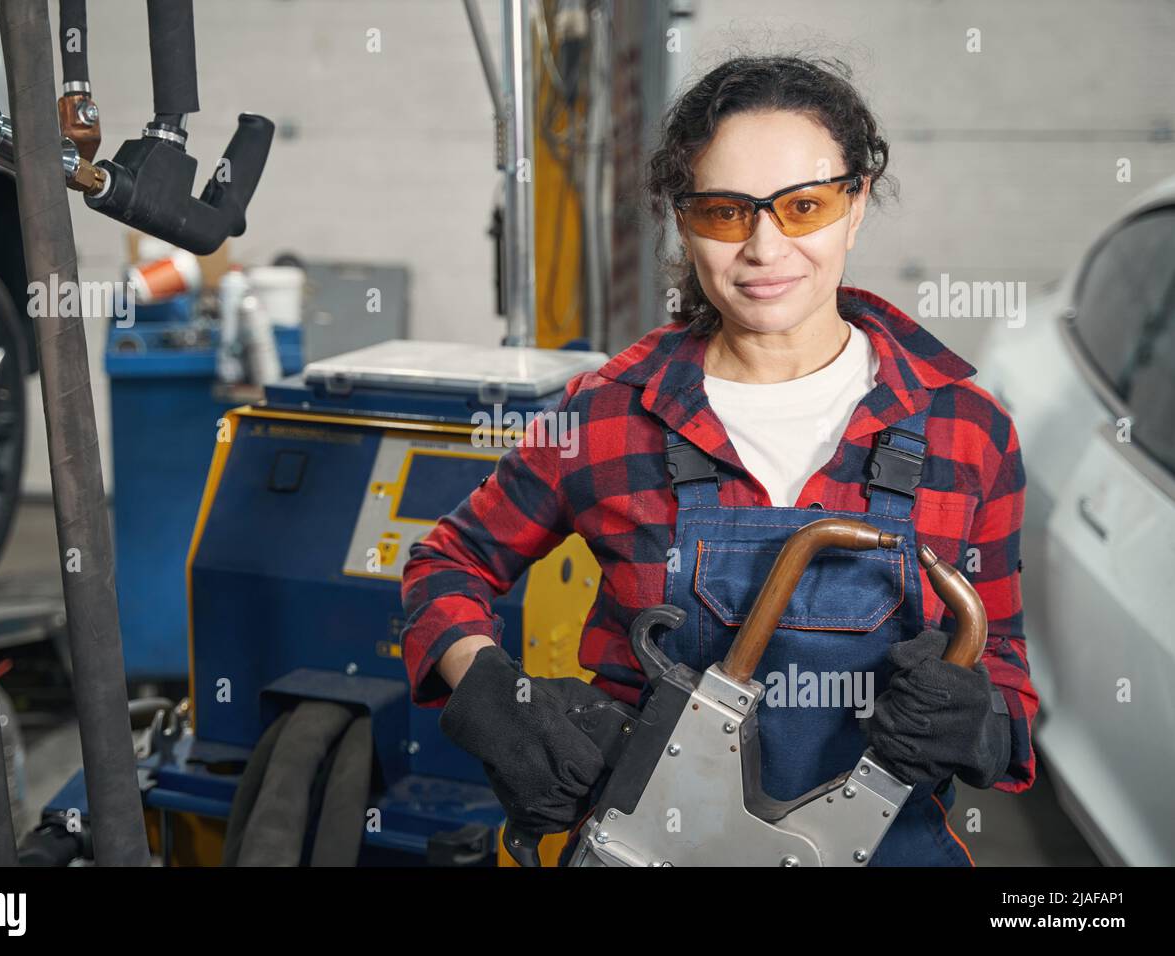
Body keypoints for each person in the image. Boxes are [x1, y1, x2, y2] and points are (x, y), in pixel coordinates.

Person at [400, 54, 1037, 866]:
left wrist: (977, 721)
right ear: (682, 217)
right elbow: (445, 564)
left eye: (803, 207)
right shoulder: (606, 416)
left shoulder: (966, 431)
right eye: (727, 213)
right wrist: (490, 687)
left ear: (857, 203)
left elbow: (1007, 674)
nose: (766, 248)